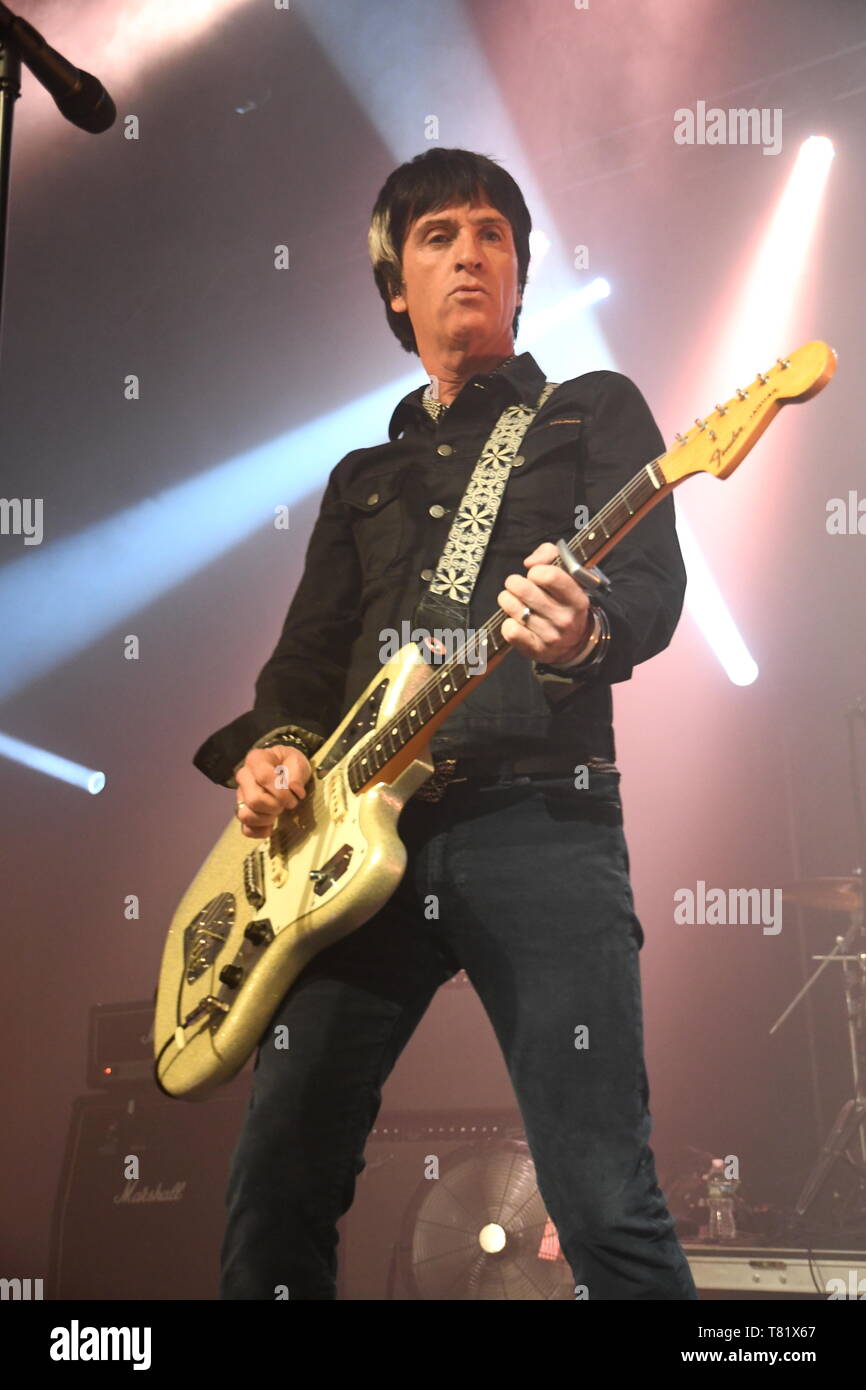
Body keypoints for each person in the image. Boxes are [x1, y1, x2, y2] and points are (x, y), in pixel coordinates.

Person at [193, 147, 698, 1301]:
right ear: (394, 288)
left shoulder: (591, 409)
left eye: (491, 234)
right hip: (351, 847)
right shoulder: (359, 474)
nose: (469, 252)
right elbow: (306, 659)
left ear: (519, 274)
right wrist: (276, 747)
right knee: (274, 1185)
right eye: (437, 236)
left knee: (601, 1199)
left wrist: (584, 631)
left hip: (539, 817)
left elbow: (650, 589)